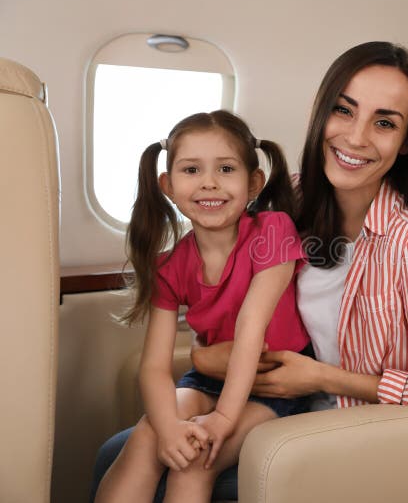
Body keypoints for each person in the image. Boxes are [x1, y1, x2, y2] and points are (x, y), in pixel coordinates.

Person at [91, 41, 408, 501]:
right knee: (125, 446)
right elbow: (229, 293)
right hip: (263, 390)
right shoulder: (290, 201)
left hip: (350, 421)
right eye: (344, 111)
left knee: (191, 464)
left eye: (385, 122)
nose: (356, 137)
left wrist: (319, 377)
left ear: (406, 141)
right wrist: (202, 356)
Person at [94, 110, 310, 502]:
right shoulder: (169, 264)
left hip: (274, 388)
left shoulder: (273, 231)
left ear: (253, 183)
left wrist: (223, 418)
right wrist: (167, 426)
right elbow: (155, 367)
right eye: (191, 170)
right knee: (148, 435)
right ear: (168, 186)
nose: (209, 182)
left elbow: (250, 331)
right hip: (207, 381)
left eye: (226, 169)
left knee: (197, 459)